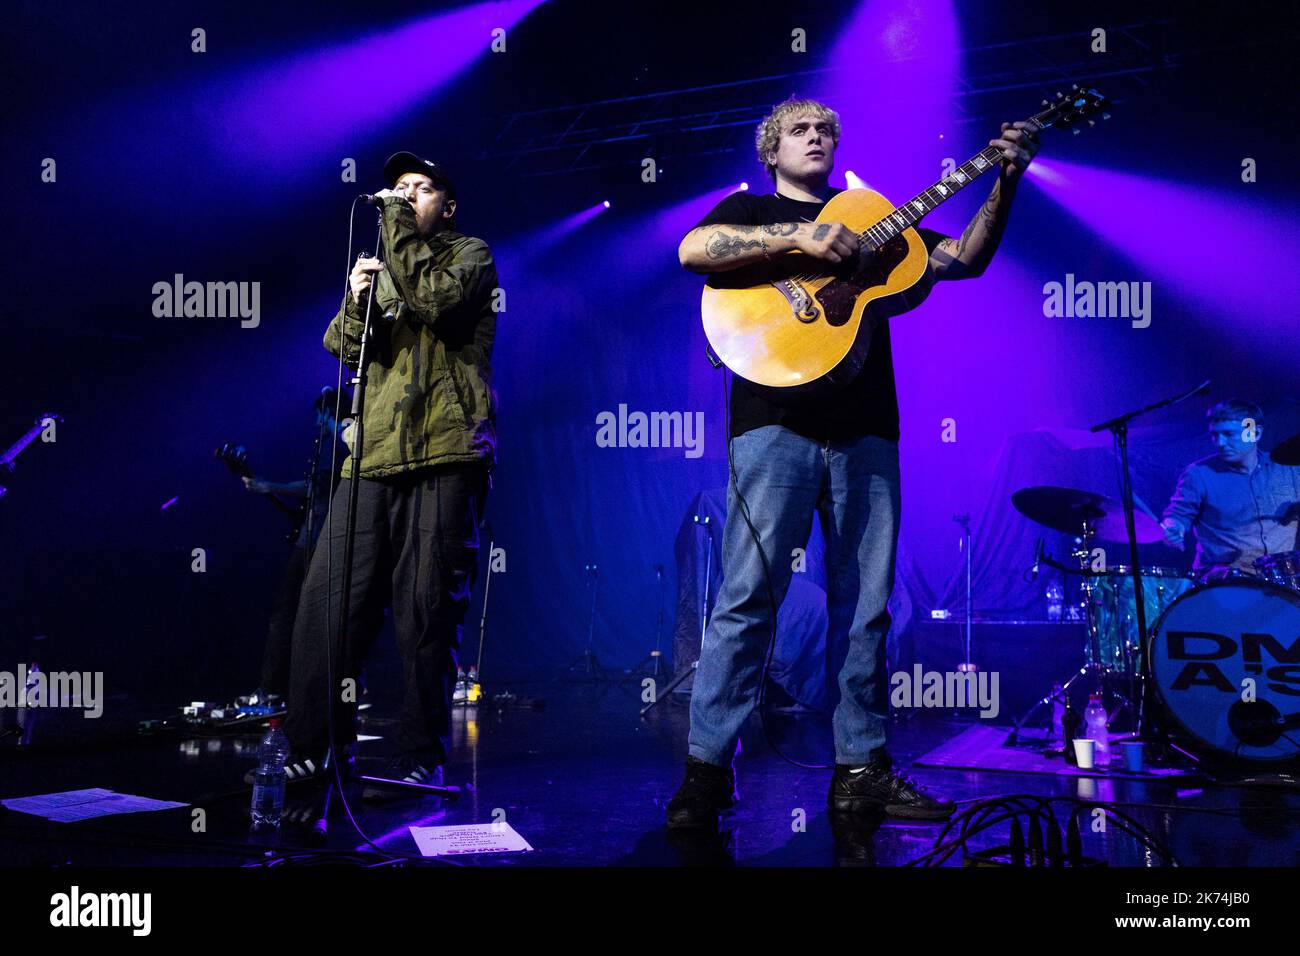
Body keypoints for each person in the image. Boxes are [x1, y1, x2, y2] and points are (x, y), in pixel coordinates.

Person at [667, 97, 1039, 828]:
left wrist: (1006, 178)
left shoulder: (876, 220)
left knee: (865, 607)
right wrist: (801, 237)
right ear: (771, 150)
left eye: (827, 130)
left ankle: (861, 769)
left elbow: (963, 257)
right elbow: (691, 251)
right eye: (800, 130)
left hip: (867, 428)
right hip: (774, 424)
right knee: (747, 598)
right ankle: (707, 773)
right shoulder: (748, 207)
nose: (817, 138)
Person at [279, 151, 498, 793]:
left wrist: (395, 233)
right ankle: (313, 747)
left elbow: (436, 303)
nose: (403, 197)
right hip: (372, 456)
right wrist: (356, 299)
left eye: (420, 188)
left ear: (446, 207)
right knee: (328, 604)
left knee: (426, 610)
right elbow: (340, 347)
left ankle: (420, 749)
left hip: (445, 451)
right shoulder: (382, 267)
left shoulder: (470, 254)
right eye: (396, 188)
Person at [239, 388, 348, 704]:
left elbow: (315, 488)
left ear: (326, 413)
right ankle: (311, 689)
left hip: (316, 539)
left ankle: (273, 689)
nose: (315, 423)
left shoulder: (336, 444)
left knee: (287, 612)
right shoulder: (338, 444)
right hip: (321, 536)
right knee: (313, 614)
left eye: (318, 415)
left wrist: (267, 486)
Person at [1161, 399, 1300, 579]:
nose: (1220, 442)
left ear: (1254, 432)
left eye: (1228, 434)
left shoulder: (1289, 469)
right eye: (1214, 435)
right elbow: (1177, 516)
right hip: (1225, 580)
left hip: (1283, 577)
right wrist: (1173, 528)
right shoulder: (1198, 475)